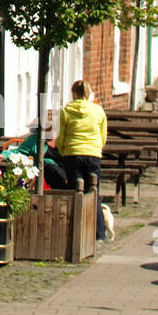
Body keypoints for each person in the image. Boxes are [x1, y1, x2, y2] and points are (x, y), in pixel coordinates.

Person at [56, 79, 109, 240]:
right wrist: (97, 149)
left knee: (75, 192)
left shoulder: (66, 111)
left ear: (74, 93)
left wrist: (64, 152)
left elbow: (61, 137)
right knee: (94, 192)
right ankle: (99, 233)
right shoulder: (98, 111)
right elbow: (103, 135)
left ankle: (76, 233)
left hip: (73, 154)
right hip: (93, 155)